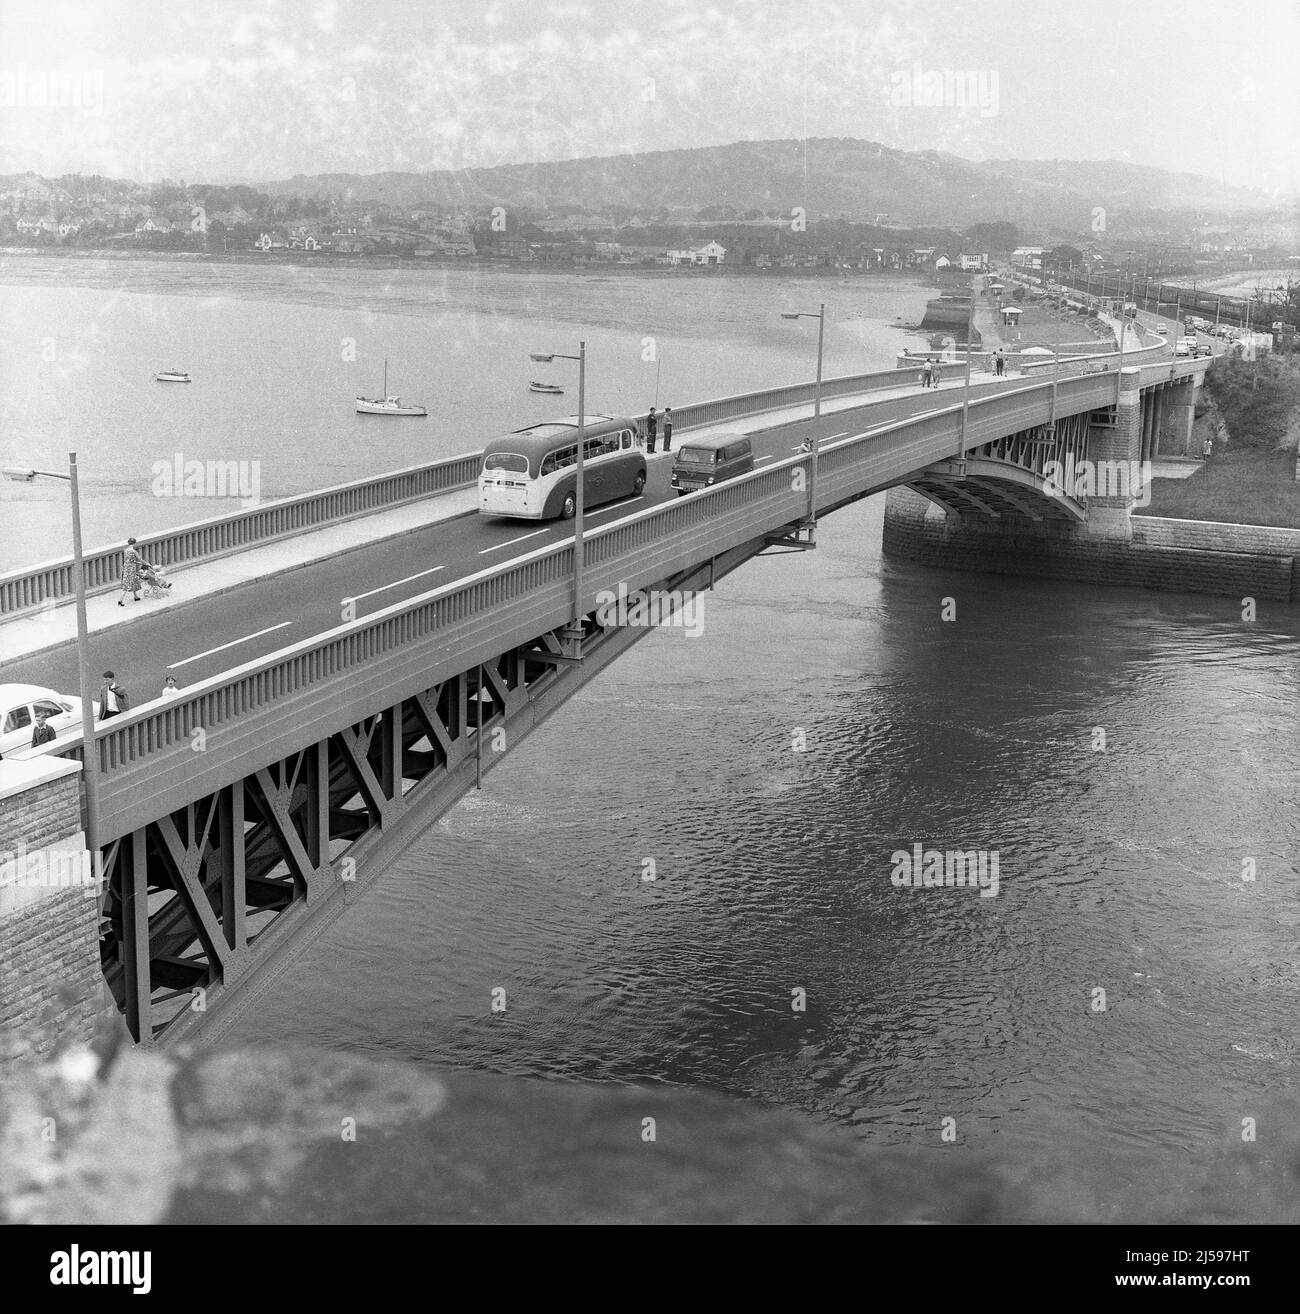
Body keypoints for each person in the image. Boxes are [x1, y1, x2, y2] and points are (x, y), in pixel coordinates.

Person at [118, 537, 142, 605]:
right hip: (131, 570)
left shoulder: (125, 551)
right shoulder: (134, 551)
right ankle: (120, 600)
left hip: (126, 568)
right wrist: (145, 563)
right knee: (128, 584)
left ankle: (136, 596)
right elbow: (140, 559)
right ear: (134, 543)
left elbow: (128, 560)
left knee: (132, 582)